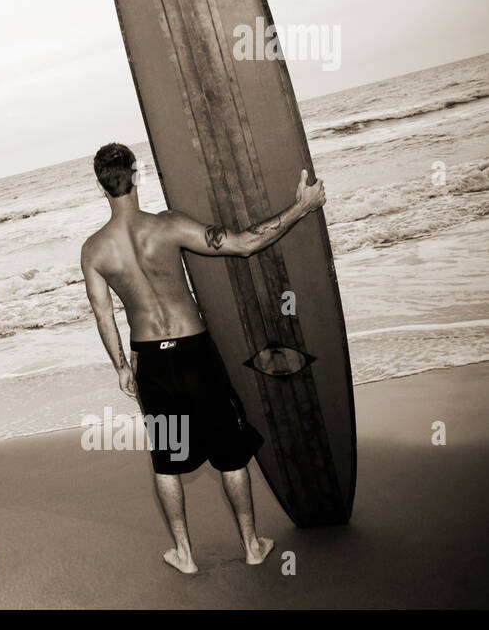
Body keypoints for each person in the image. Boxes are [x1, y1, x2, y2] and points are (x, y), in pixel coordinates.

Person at [79, 142, 326, 573]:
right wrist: (301, 207)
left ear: (102, 187)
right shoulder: (168, 226)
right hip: (195, 354)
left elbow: (103, 315)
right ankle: (251, 545)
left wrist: (121, 366)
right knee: (229, 452)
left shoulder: (95, 250)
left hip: (150, 362)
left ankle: (185, 554)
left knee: (167, 460)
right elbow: (243, 243)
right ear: (137, 175)